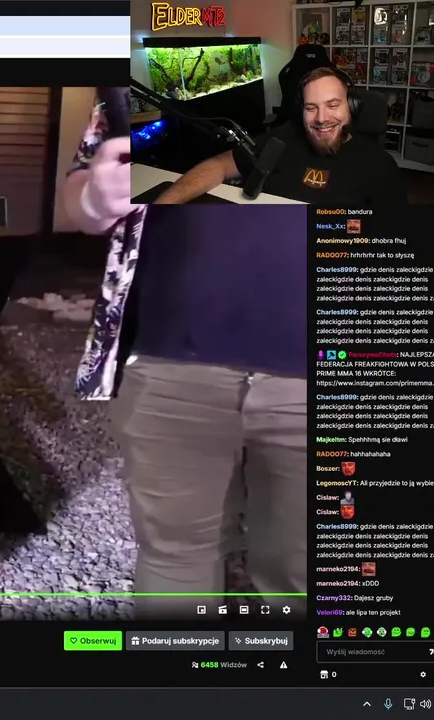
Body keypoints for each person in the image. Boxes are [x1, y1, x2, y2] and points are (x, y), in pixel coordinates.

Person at [64, 93, 307, 619]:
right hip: (168, 356)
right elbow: (80, 194)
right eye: (314, 105)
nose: (323, 115)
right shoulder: (118, 94)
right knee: (175, 555)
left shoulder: (360, 160)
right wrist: (99, 201)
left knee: (301, 570)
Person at [154, 67, 409, 206]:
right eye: (311, 107)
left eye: (333, 105)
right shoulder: (281, 140)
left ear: (351, 107)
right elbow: (219, 165)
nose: (321, 118)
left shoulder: (379, 166)